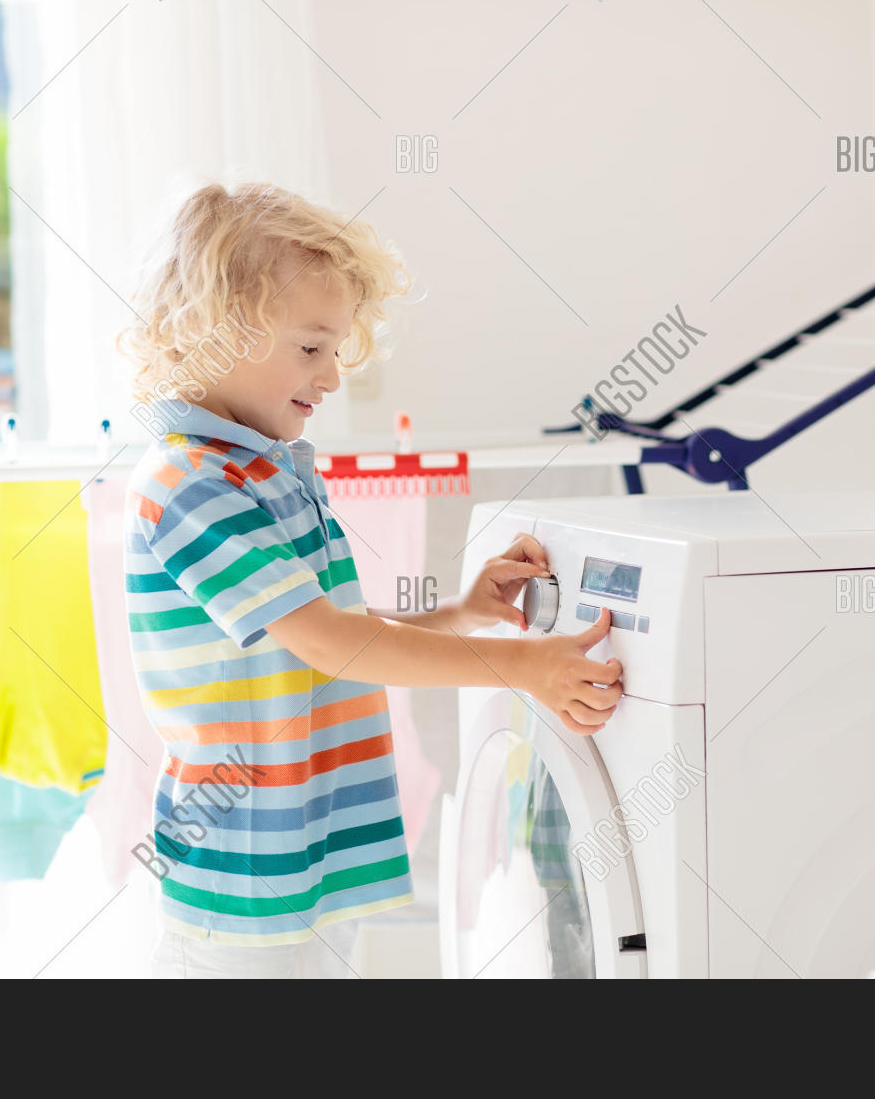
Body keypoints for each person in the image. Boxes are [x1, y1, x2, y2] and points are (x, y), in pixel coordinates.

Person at [116, 180, 624, 978]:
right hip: (244, 876)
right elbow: (333, 644)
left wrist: (461, 614)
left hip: (303, 860)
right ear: (216, 331)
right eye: (311, 347)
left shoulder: (266, 472)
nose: (330, 376)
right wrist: (525, 668)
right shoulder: (190, 482)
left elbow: (330, 627)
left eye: (336, 352)